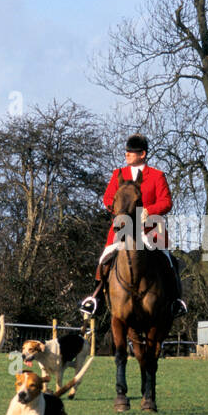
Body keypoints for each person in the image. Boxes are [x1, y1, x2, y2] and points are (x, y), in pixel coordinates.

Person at [79, 133, 188, 319]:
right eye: (127, 152)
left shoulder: (156, 175)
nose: (127, 154)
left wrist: (149, 210)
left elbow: (166, 202)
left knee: (169, 261)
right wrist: (117, 209)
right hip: (123, 227)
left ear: (142, 154)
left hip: (150, 228)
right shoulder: (118, 174)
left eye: (131, 152)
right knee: (104, 259)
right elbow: (108, 199)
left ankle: (176, 301)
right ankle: (95, 299)